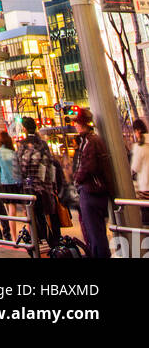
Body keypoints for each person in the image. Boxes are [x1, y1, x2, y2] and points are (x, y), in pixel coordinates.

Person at [15, 116, 60, 251]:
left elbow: (20, 168)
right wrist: (52, 185)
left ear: (24, 128)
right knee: (46, 215)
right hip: (45, 187)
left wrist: (21, 183)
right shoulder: (43, 144)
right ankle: (52, 242)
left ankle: (39, 243)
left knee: (34, 216)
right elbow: (51, 165)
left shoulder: (23, 145)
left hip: (30, 187)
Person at [73, 107, 113, 259]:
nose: (75, 125)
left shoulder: (89, 141)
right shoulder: (91, 140)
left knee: (95, 234)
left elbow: (88, 166)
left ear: (82, 124)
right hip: (97, 191)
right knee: (98, 232)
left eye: (76, 122)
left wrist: (77, 178)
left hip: (91, 192)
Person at [0, 130, 21, 244]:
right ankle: (32, 235)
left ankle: (14, 238)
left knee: (11, 210)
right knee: (25, 209)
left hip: (5, 182)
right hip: (17, 182)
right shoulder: (13, 152)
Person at [131, 118, 149, 225]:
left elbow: (135, 167)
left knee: (146, 220)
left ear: (137, 131)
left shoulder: (139, 146)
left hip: (145, 188)